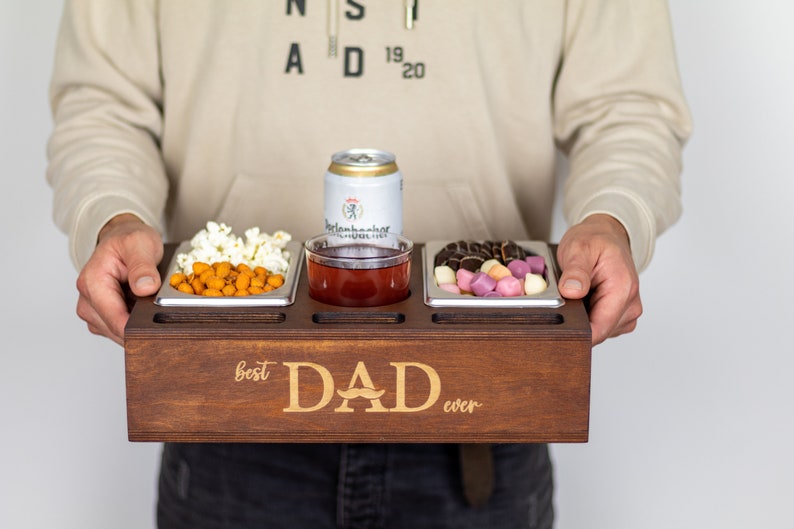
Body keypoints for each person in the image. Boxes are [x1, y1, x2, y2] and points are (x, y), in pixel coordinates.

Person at [47, 1, 691, 528]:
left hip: (481, 404)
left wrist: (613, 216)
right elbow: (102, 104)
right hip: (231, 402)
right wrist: (112, 215)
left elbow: (628, 106)